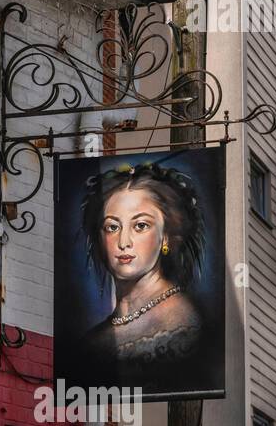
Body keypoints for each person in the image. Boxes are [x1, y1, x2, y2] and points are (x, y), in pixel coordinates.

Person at [75, 162, 207, 388]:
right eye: (112, 227)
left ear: (166, 236)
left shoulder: (188, 325)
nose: (123, 242)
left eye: (141, 226)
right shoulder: (92, 341)